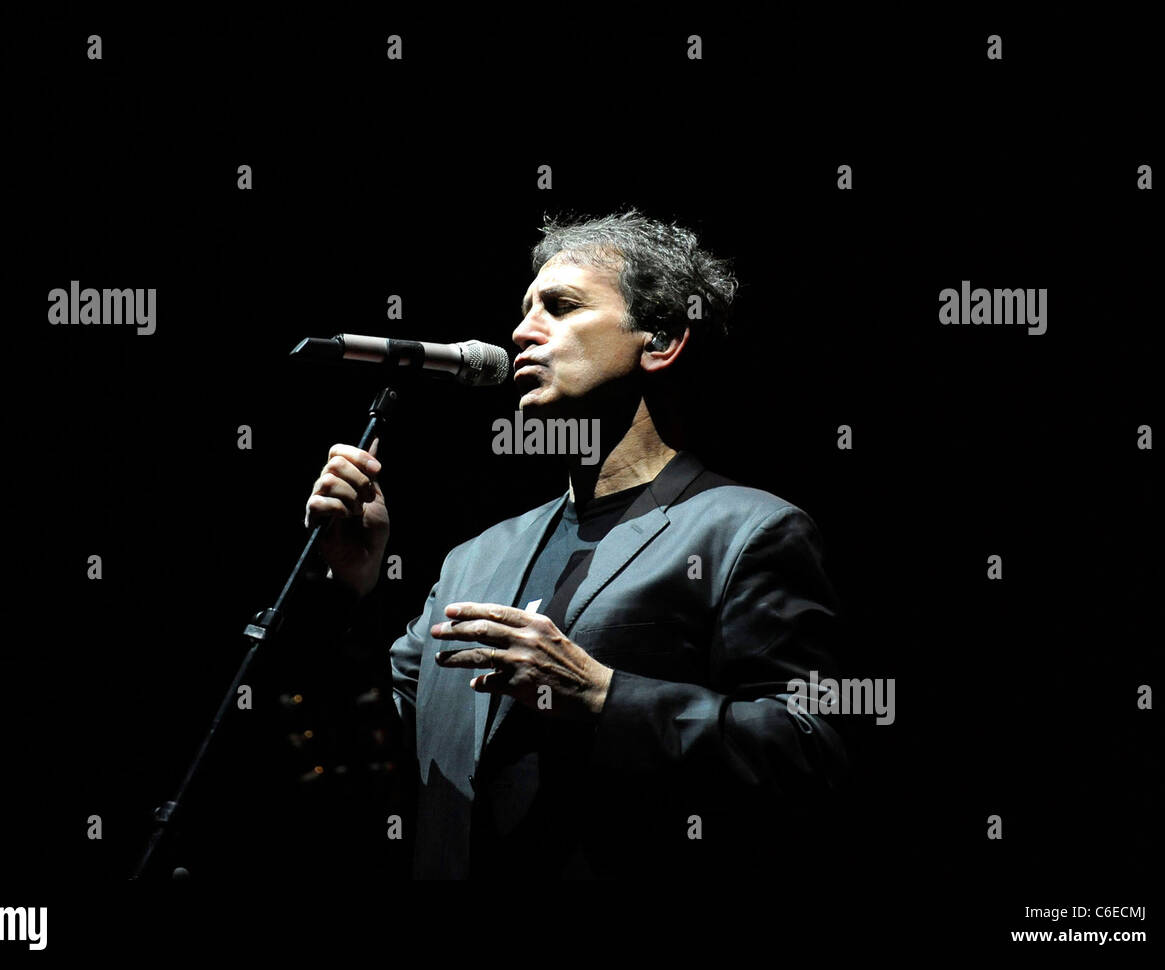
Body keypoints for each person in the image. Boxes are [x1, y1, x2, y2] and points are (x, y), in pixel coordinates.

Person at [305, 210, 847, 878]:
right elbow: (383, 737)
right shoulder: (476, 557)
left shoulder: (748, 530)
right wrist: (356, 585)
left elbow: (812, 749)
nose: (520, 332)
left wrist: (604, 697)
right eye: (525, 308)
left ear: (662, 338)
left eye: (561, 307)